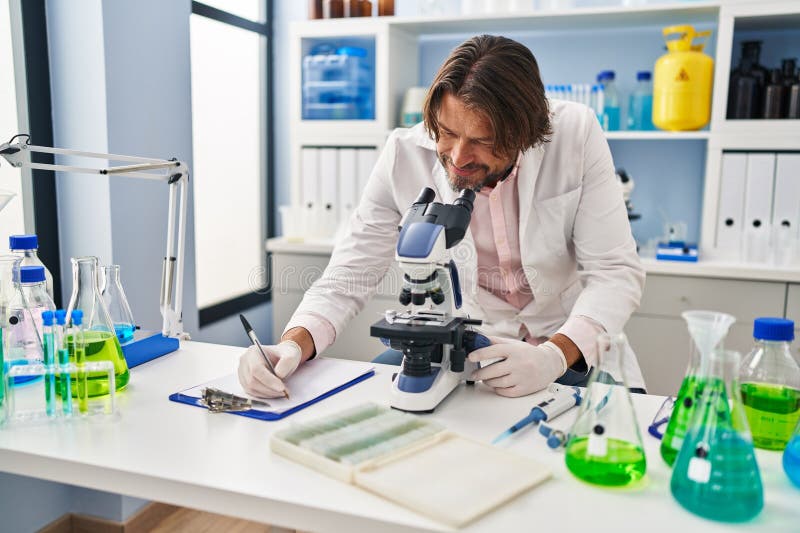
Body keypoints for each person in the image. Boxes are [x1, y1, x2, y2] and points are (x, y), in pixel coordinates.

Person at [238, 34, 646, 399]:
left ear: (524, 134)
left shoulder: (575, 133)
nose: (458, 157)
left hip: (571, 342)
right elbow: (349, 273)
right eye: (447, 132)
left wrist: (553, 357)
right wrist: (292, 344)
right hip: (472, 346)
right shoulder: (403, 155)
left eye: (482, 141)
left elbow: (614, 271)